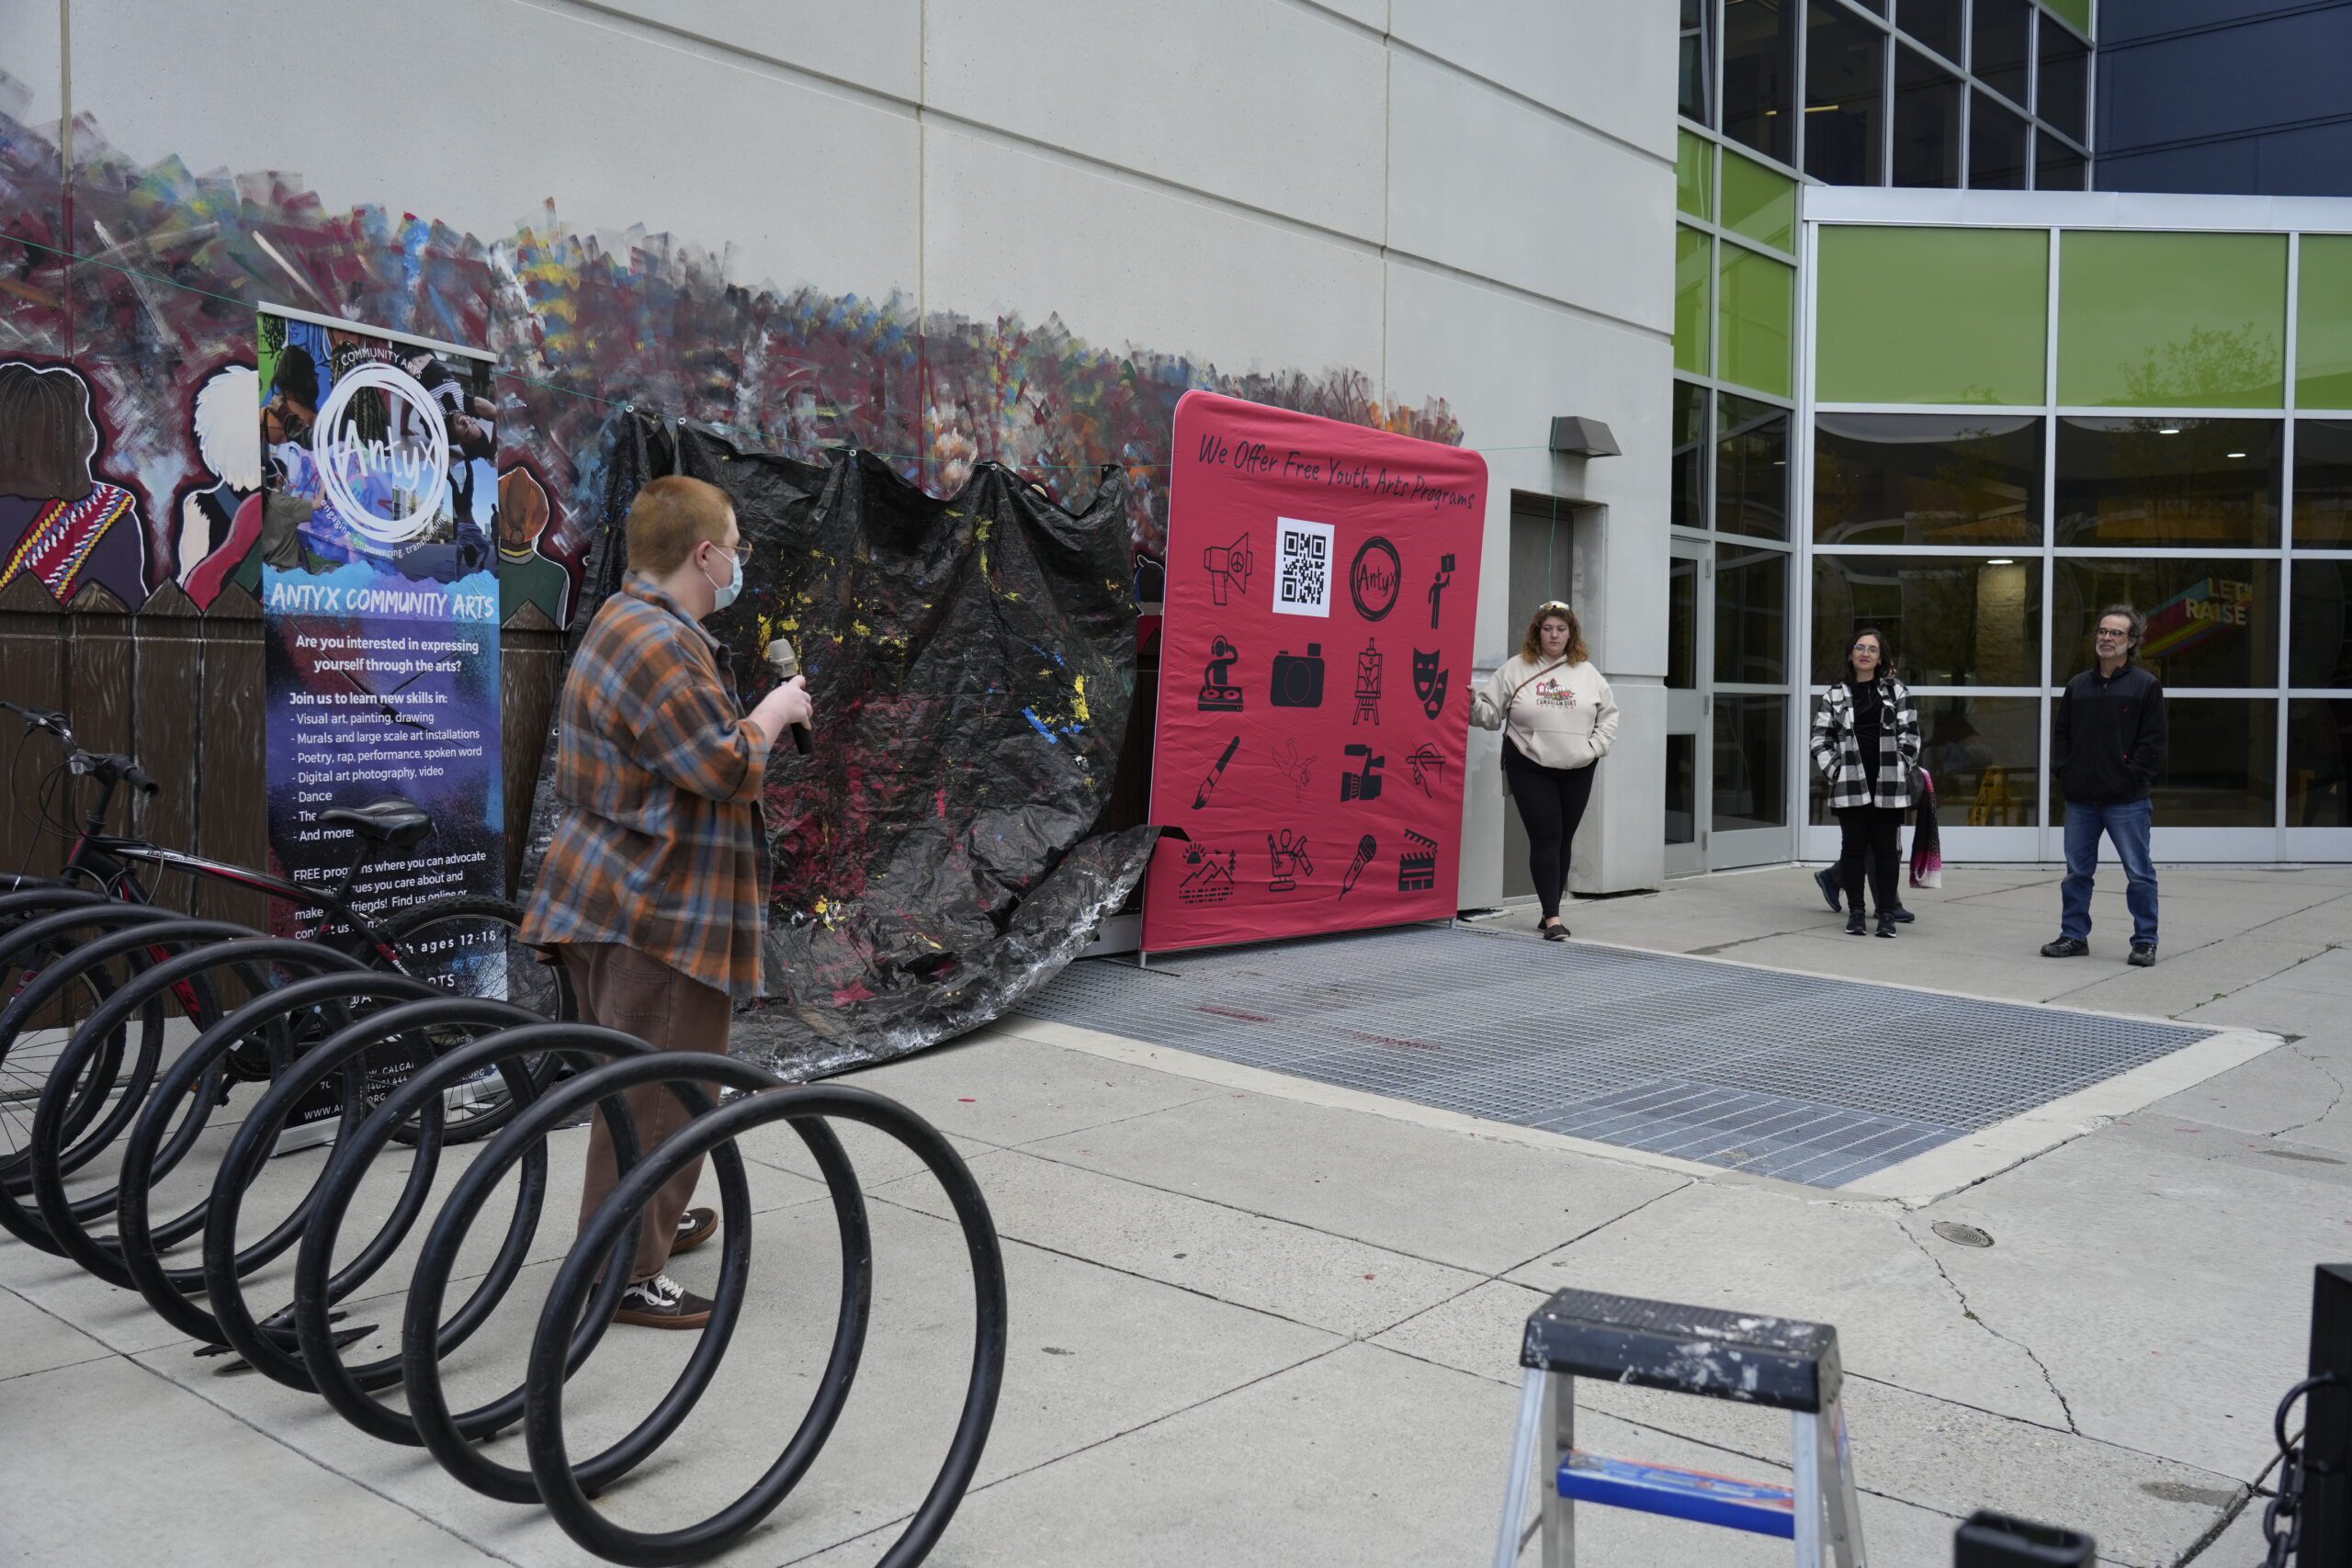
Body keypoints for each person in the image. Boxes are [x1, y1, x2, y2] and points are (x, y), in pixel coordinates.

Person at [521, 475, 811, 1328]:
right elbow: (718, 765)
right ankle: (624, 1270)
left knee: (651, 1085)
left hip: (624, 898)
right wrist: (773, 713)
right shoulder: (658, 642)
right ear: (704, 553)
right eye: (736, 548)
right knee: (661, 1090)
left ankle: (653, 1215)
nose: (739, 564)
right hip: (657, 913)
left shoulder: (630, 623)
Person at [1470, 601, 1618, 942]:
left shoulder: (1588, 673)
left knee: (1564, 837)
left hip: (1579, 767)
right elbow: (1491, 714)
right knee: (1546, 836)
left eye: (1561, 629)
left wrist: (1595, 748)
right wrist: (1472, 707)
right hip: (1529, 764)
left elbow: (1609, 715)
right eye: (1548, 628)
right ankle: (1553, 918)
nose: (1555, 635)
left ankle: (1548, 907)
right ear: (1538, 632)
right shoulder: (1516, 668)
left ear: (1571, 634)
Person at [2042, 604, 2167, 967]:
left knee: (2139, 873)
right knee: (2077, 873)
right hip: (2081, 799)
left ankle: (2145, 941)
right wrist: (2065, 770)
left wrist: (2131, 774)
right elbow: (2062, 734)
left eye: (2116, 633)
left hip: (2126, 800)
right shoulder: (2078, 685)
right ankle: (2073, 935)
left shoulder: (2145, 686)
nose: (2107, 638)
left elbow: (2154, 742)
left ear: (2132, 642)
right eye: (2102, 631)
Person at [1809, 627, 1920, 938]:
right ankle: (1856, 913)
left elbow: (1911, 736)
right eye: (1860, 647)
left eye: (1872, 649)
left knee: (1887, 852)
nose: (1865, 653)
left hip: (1887, 786)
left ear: (1880, 657)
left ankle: (1886, 915)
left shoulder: (1897, 692)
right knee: (1853, 850)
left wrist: (1899, 767)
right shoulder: (1835, 694)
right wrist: (1834, 771)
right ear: (1851, 654)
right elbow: (1819, 738)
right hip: (1850, 786)